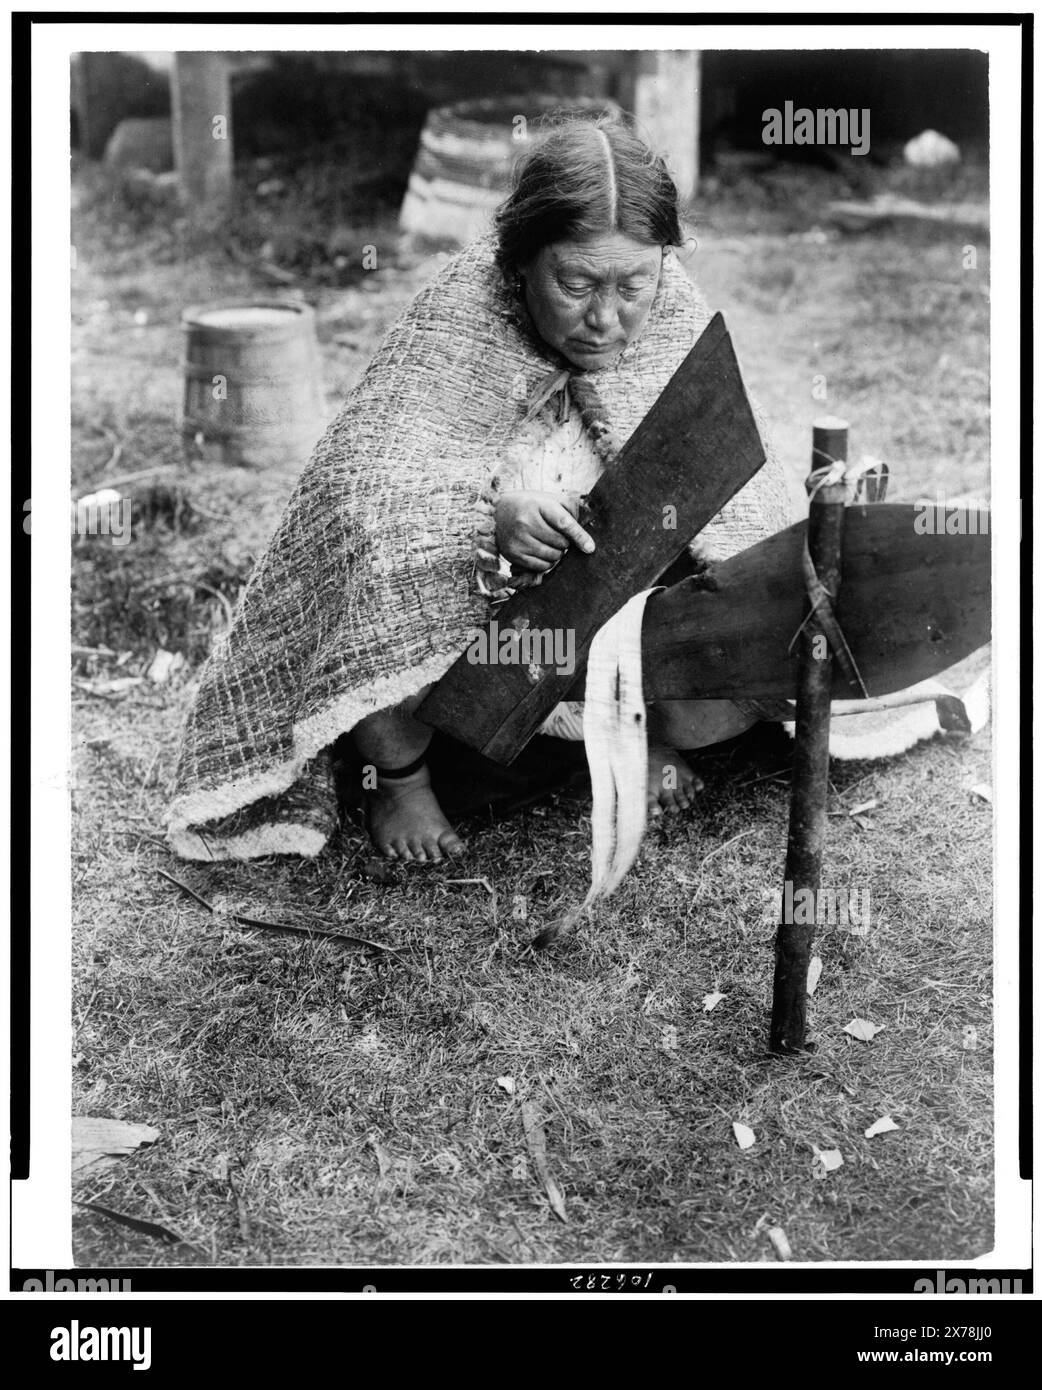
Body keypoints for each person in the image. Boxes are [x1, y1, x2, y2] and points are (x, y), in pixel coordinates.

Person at [167, 114, 794, 866]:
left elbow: (731, 487)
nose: (606, 317)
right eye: (575, 284)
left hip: (611, 628)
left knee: (729, 662)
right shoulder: (459, 323)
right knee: (381, 572)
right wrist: (488, 520)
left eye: (634, 285)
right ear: (519, 262)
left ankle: (640, 738)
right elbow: (361, 496)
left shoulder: (666, 313)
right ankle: (399, 781)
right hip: (470, 641)